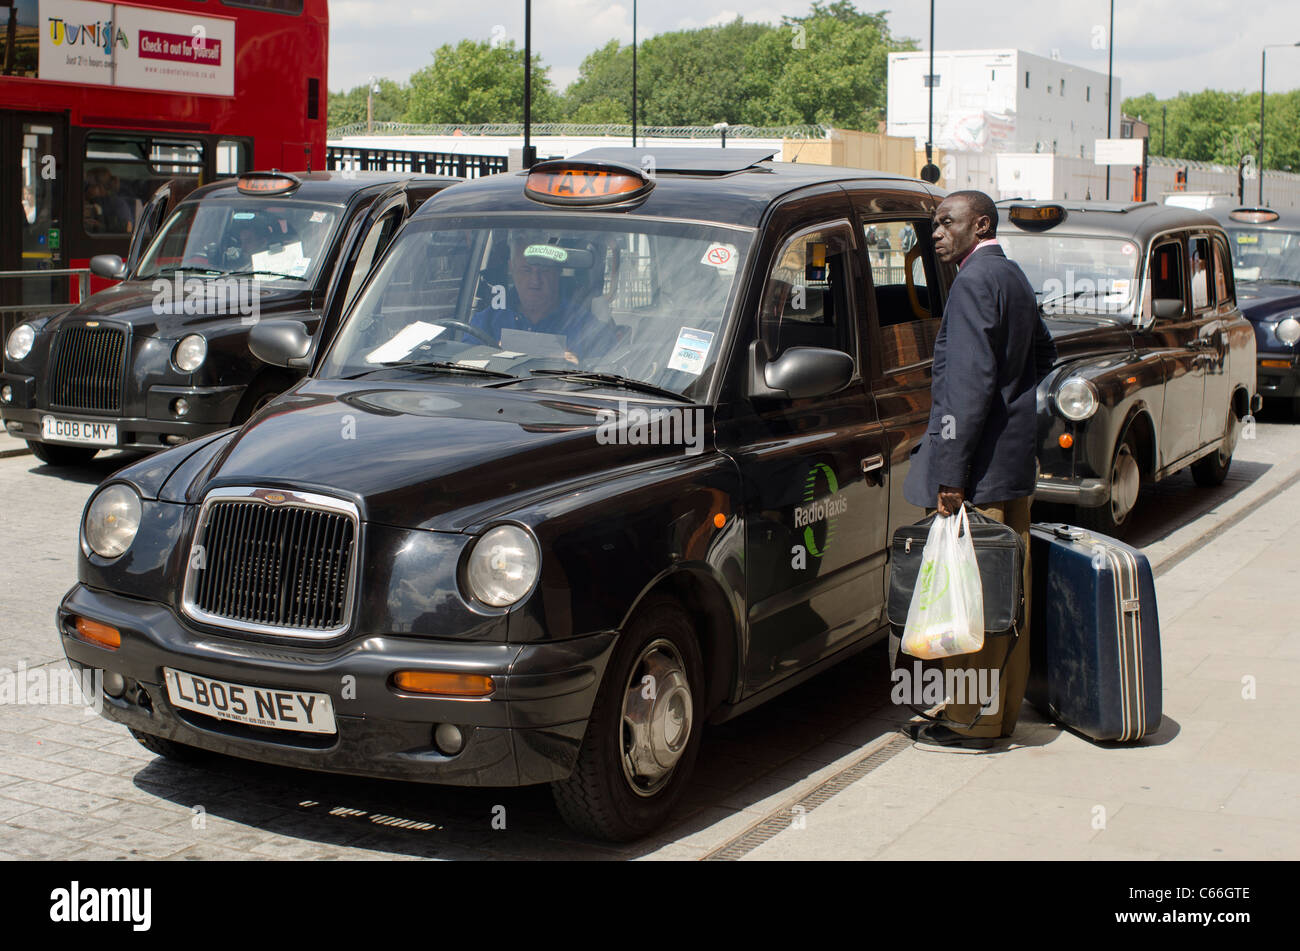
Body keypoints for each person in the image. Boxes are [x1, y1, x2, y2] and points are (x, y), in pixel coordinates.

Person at [901, 189, 1057, 751]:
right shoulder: (1012, 276)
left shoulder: (971, 283)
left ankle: (970, 721)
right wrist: (1014, 412)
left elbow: (965, 392)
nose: (937, 232)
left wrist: (952, 476)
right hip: (1012, 469)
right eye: (935, 223)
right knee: (1009, 599)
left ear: (980, 225)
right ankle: (998, 715)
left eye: (948, 223)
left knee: (974, 602)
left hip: (980, 477)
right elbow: (1044, 354)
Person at [470, 231, 618, 364]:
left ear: (557, 271)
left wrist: (579, 368)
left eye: (544, 270)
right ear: (511, 269)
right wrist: (491, 355)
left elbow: (615, 371)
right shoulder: (486, 322)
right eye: (526, 270)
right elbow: (461, 368)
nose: (535, 281)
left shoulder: (585, 327)